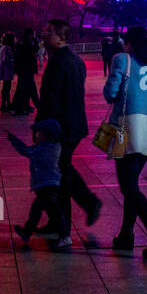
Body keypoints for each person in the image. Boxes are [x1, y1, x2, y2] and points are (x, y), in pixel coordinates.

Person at [104, 27, 147, 258]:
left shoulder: (121, 60)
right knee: (131, 185)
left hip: (125, 129)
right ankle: (126, 235)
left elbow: (110, 93)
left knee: (128, 188)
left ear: (130, 43)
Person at [36, 19, 102, 234]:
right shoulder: (75, 60)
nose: (44, 35)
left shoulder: (58, 63)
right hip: (74, 125)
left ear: (62, 38)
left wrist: (44, 129)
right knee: (63, 169)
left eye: (49, 32)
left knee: (59, 173)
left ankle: (66, 219)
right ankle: (79, 208)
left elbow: (51, 100)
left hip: (60, 127)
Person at [9, 119, 71, 251]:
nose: (36, 136)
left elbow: (25, 151)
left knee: (54, 211)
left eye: (39, 133)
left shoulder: (43, 149)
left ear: (47, 136)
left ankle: (65, 237)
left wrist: (14, 141)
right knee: (37, 209)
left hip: (46, 185)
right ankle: (27, 232)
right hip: (48, 184)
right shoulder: (53, 147)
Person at [10, 27, 41, 115]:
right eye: (33, 34)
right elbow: (31, 52)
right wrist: (36, 43)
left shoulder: (24, 42)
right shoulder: (24, 43)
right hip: (25, 68)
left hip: (26, 68)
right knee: (23, 88)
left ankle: (24, 105)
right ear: (29, 34)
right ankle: (19, 107)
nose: (34, 36)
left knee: (25, 87)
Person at [0, 33, 17, 111]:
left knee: (7, 87)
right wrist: (13, 60)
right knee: (6, 87)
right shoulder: (7, 48)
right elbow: (5, 59)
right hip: (7, 70)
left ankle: (7, 103)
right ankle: (4, 104)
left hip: (6, 69)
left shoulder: (4, 47)